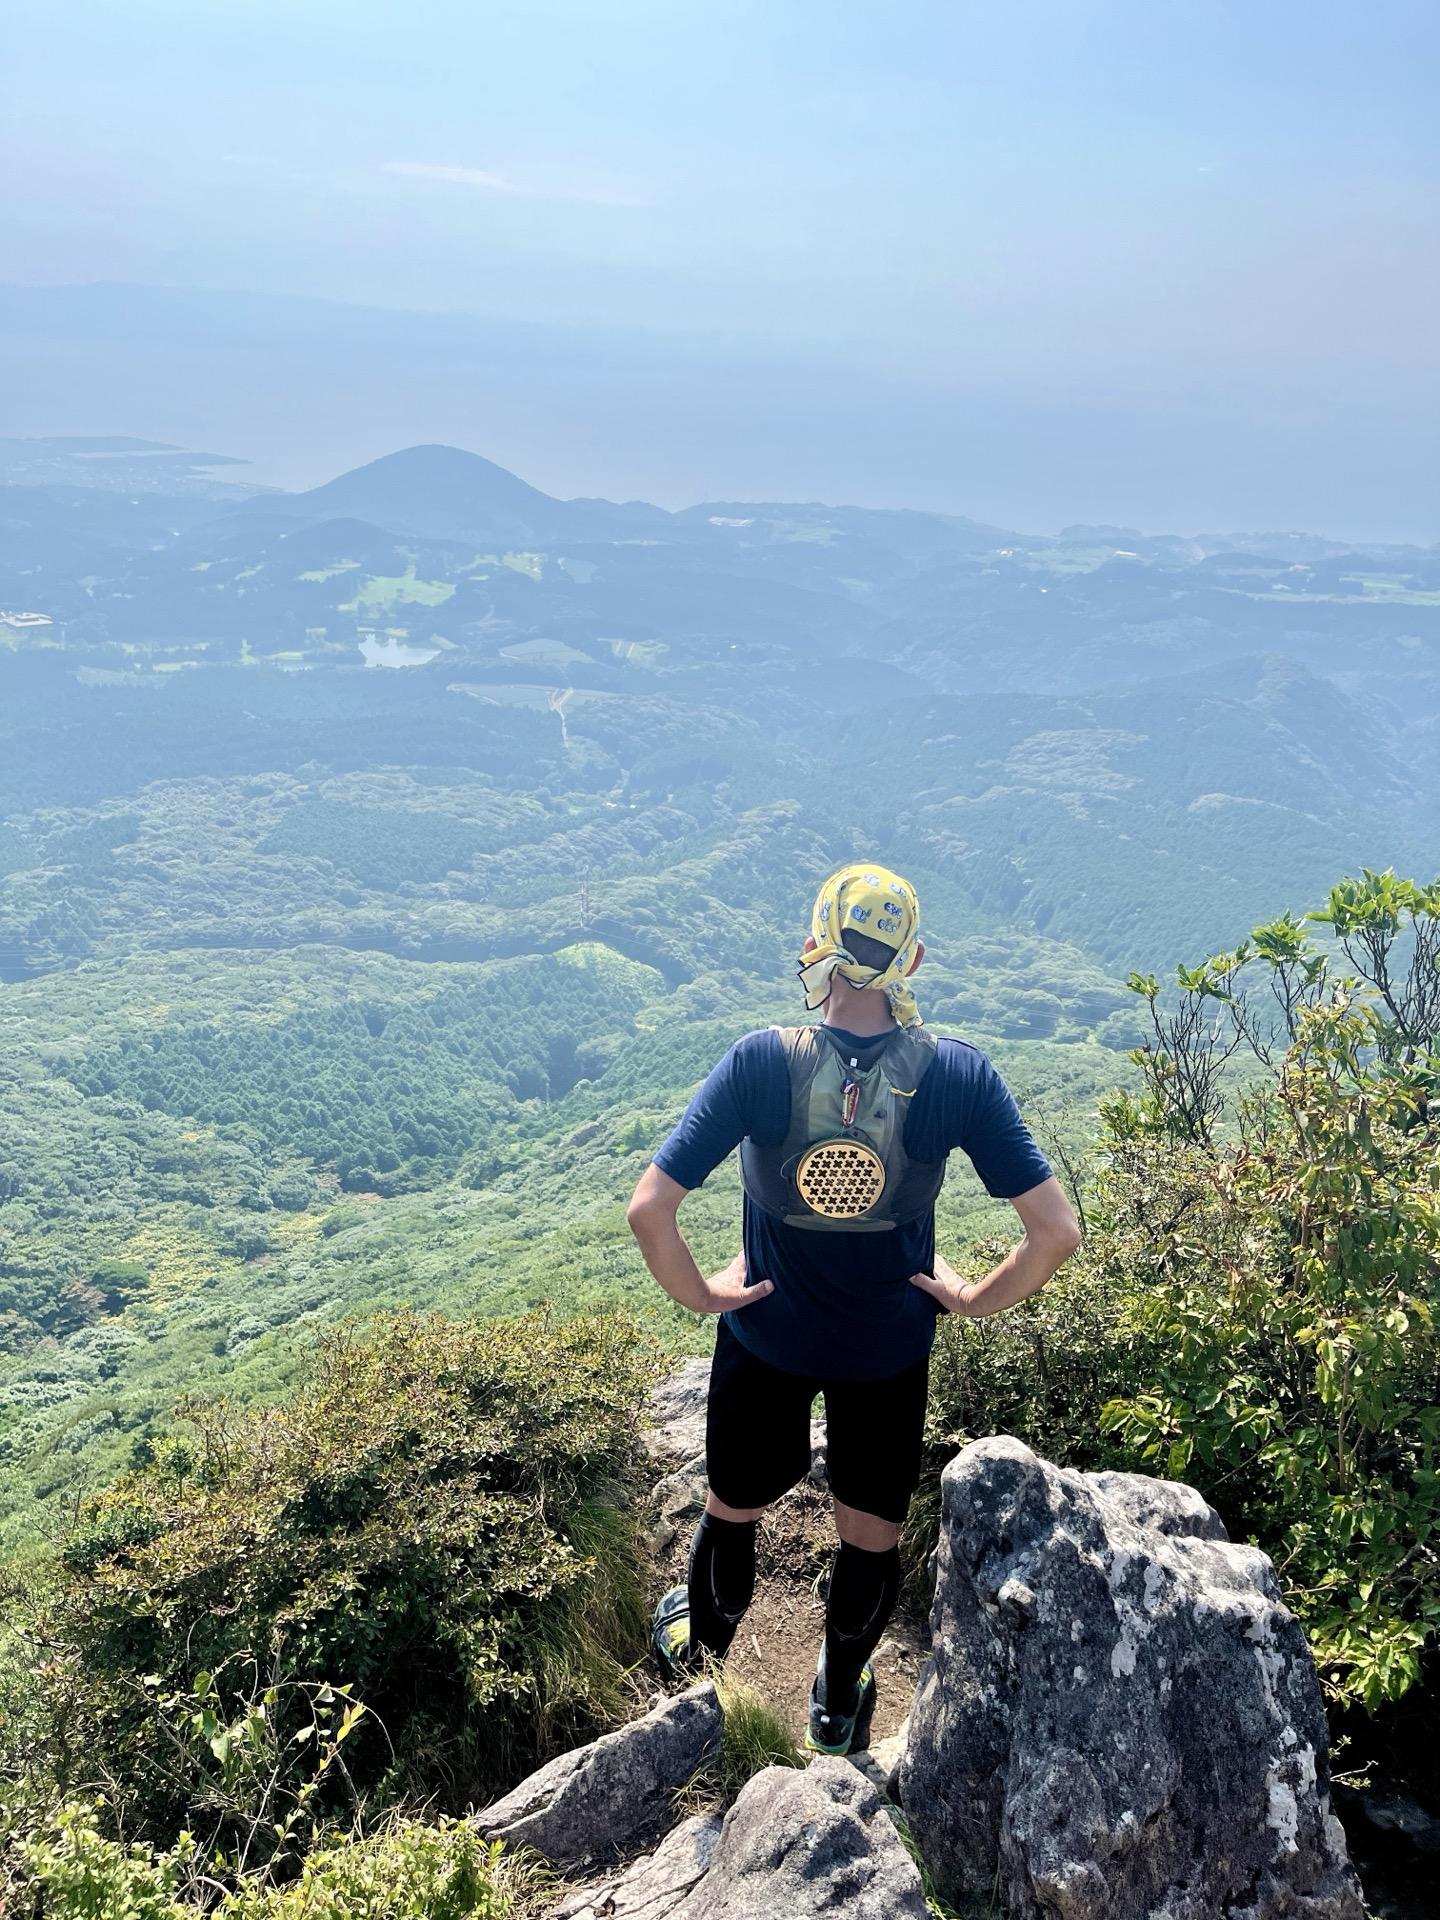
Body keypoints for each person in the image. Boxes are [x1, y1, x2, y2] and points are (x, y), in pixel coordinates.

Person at [627, 861, 1082, 1755]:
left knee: (732, 1509)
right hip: (888, 1350)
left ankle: (700, 1669)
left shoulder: (763, 1062)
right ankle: (838, 1701)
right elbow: (1055, 1232)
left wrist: (703, 1295)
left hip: (764, 1335)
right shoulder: (957, 1076)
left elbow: (650, 1209)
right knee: (870, 1537)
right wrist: (973, 1300)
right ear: (911, 959)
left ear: (816, 947)